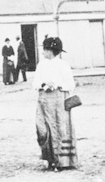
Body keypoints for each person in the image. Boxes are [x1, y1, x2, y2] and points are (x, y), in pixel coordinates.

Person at [33, 36, 77, 171]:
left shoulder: (63, 65)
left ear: (50, 51)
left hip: (59, 99)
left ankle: (62, 161)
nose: (43, 53)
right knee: (43, 129)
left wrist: (56, 84)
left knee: (59, 128)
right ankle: (48, 157)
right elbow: (35, 83)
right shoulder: (41, 65)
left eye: (45, 50)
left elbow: (71, 84)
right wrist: (43, 84)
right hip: (44, 100)